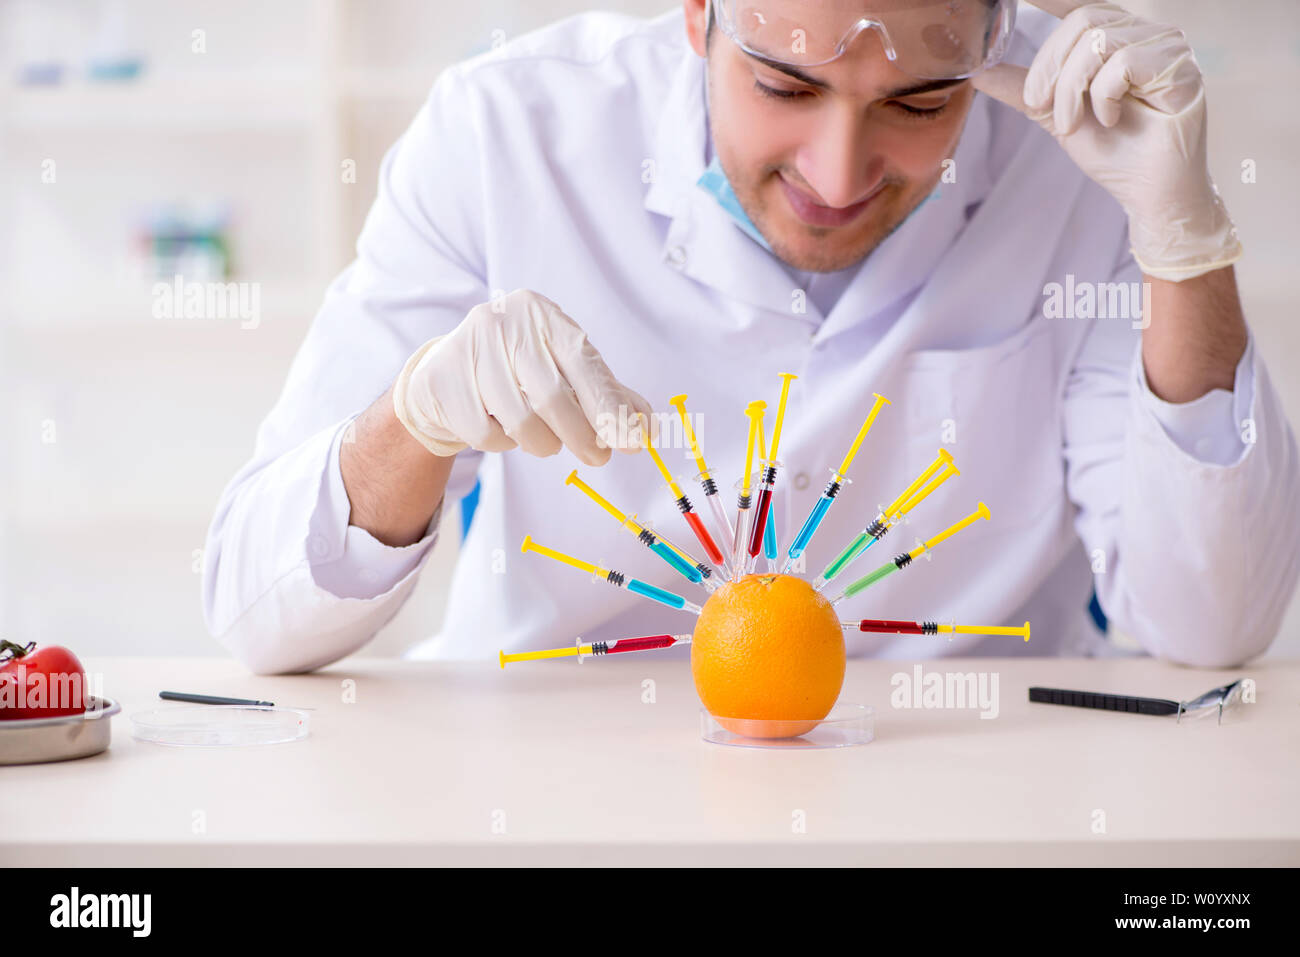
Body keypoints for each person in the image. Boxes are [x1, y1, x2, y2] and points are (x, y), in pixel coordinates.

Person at [202, 0, 1299, 674]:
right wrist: (414, 425)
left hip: (967, 800)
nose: (836, 174)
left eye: (920, 103)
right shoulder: (507, 133)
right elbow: (257, 619)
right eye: (783, 84)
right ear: (696, 16)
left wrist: (1182, 234)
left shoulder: (1081, 154)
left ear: (993, 36)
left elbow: (1211, 627)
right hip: (555, 798)